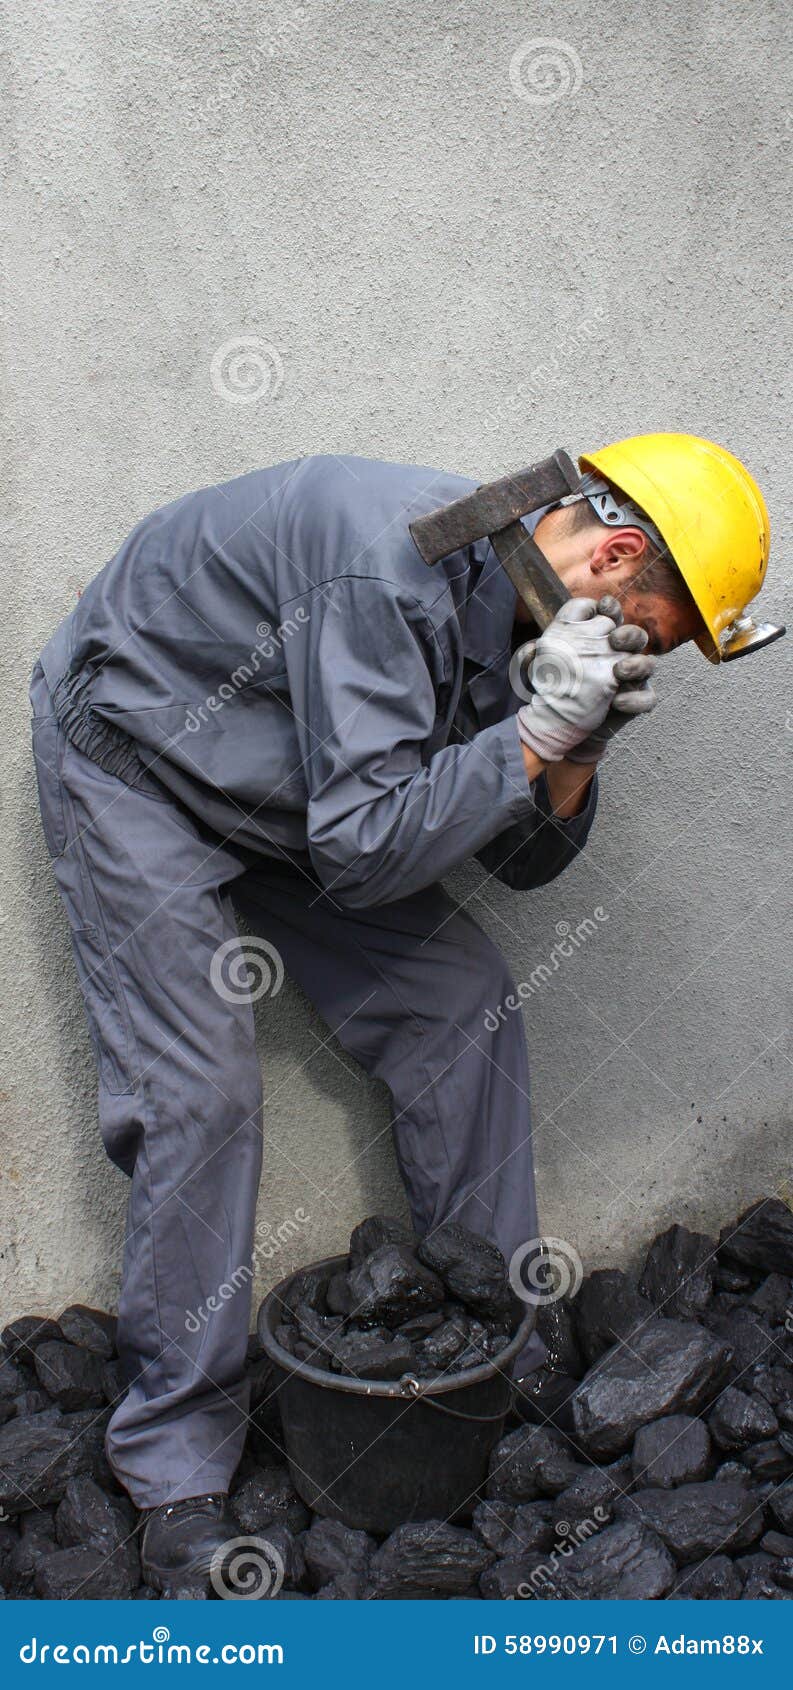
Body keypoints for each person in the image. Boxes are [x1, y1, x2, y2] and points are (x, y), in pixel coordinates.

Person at [29, 432, 773, 1586]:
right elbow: (370, 853)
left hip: (310, 801)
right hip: (139, 767)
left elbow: (517, 862)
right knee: (201, 1095)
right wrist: (530, 733)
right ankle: (172, 1465)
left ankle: (485, 1348)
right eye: (648, 630)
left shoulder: (531, 607)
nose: (632, 651)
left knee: (460, 1004)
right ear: (615, 553)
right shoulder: (384, 567)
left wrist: (578, 742)